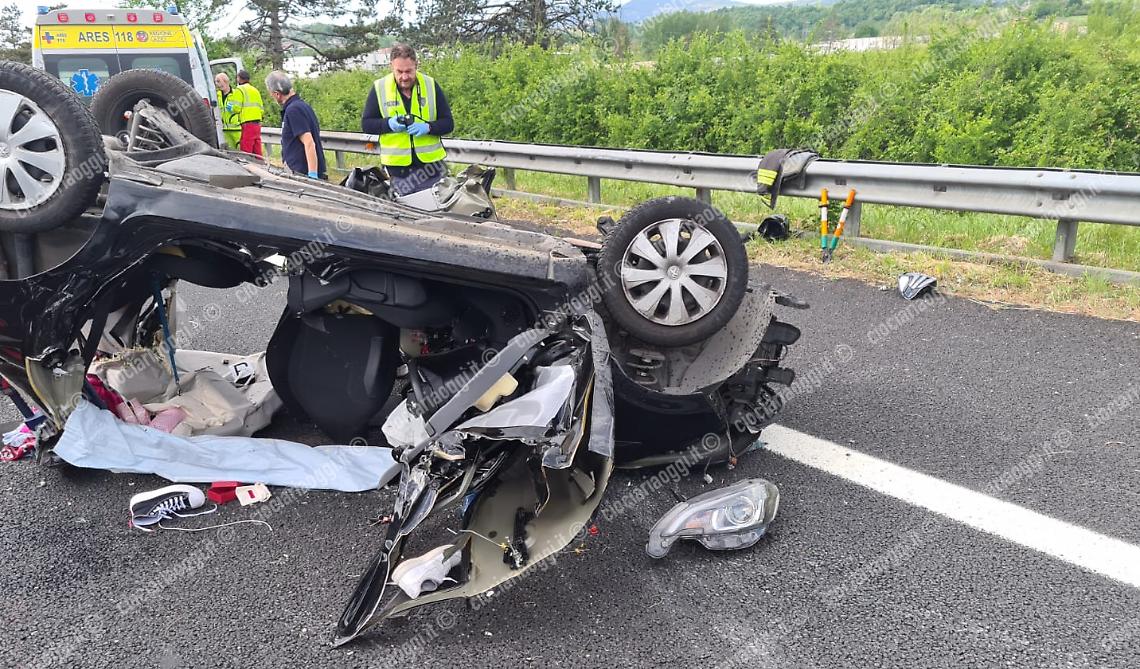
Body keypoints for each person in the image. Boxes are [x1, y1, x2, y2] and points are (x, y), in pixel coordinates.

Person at [361, 43, 454, 196]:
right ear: (391, 66)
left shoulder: (430, 85)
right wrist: (388, 124)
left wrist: (428, 127)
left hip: (432, 168)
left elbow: (448, 123)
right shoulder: (380, 88)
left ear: (416, 65)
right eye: (399, 71)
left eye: (409, 71)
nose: (404, 77)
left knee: (435, 214)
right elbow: (367, 124)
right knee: (407, 215)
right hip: (398, 171)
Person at [265, 71, 326, 179]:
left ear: (277, 94)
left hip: (302, 173)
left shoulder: (294, 110)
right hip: (302, 171)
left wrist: (312, 175)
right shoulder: (303, 106)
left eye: (272, 95)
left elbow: (309, 143)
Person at [234, 70, 264, 157]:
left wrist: (230, 107)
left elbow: (237, 108)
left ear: (239, 79)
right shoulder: (255, 90)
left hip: (247, 124)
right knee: (257, 151)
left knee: (246, 152)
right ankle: (261, 168)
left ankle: (248, 169)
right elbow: (261, 109)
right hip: (257, 124)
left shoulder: (239, 90)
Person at [214, 72, 243, 150]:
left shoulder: (236, 93)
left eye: (219, 81)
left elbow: (240, 108)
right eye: (216, 82)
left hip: (236, 129)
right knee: (230, 153)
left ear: (226, 81)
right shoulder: (217, 95)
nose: (218, 84)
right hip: (225, 130)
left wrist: (232, 108)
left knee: (241, 151)